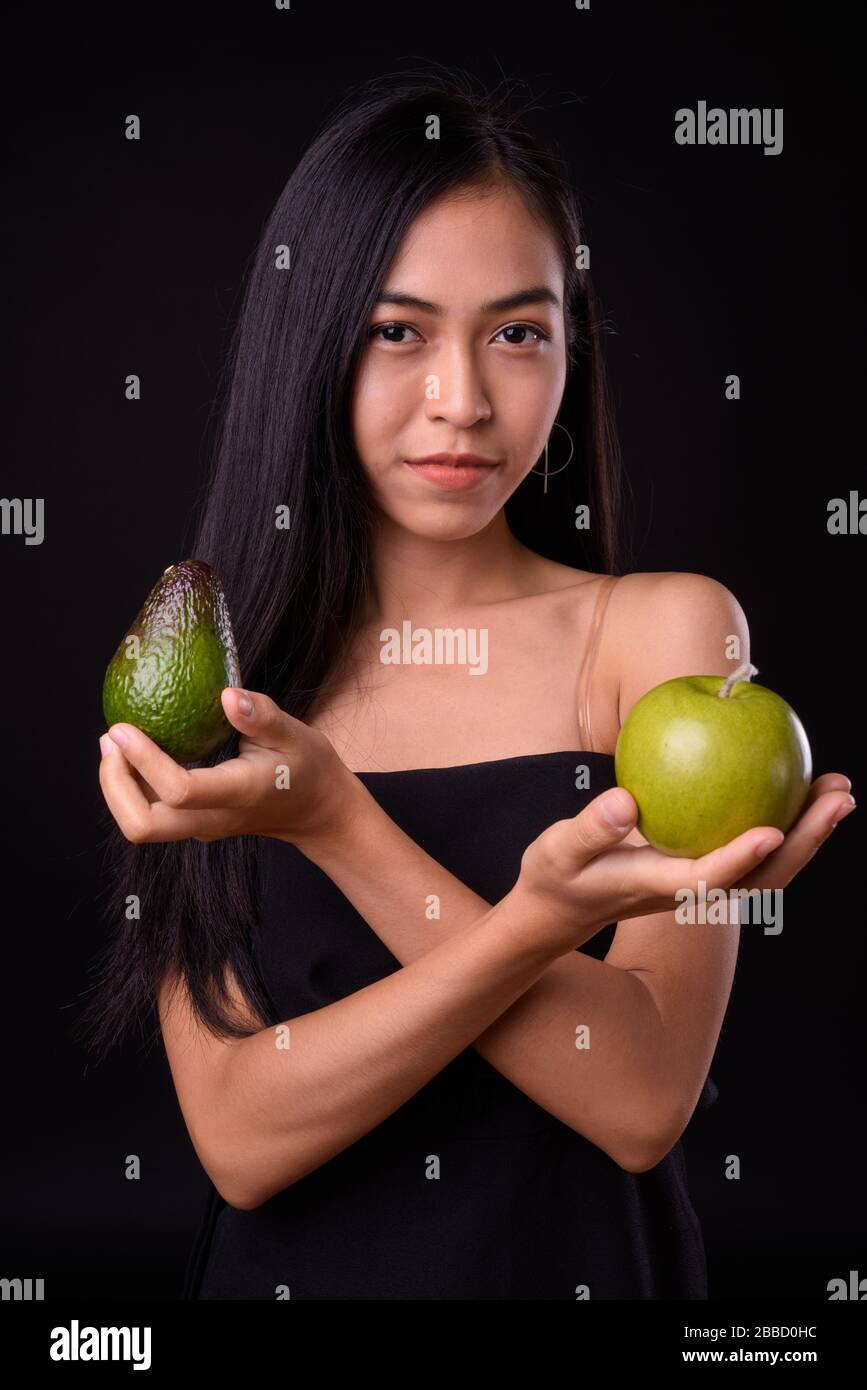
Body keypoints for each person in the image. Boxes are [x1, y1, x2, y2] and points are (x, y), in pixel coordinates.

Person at [85, 67, 854, 1300]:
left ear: (570, 348)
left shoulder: (665, 635)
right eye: (398, 331)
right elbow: (240, 1139)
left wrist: (341, 824)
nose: (464, 403)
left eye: (517, 332)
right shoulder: (216, 681)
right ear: (314, 344)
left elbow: (642, 1099)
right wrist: (534, 925)